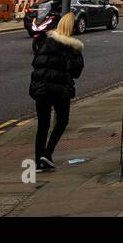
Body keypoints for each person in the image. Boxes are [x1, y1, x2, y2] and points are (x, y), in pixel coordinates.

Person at [29, 10, 84, 170]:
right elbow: (76, 72)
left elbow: (36, 63)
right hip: (59, 90)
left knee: (43, 125)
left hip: (41, 89)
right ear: (72, 29)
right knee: (62, 121)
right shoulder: (73, 48)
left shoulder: (45, 42)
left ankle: (39, 161)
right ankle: (47, 154)